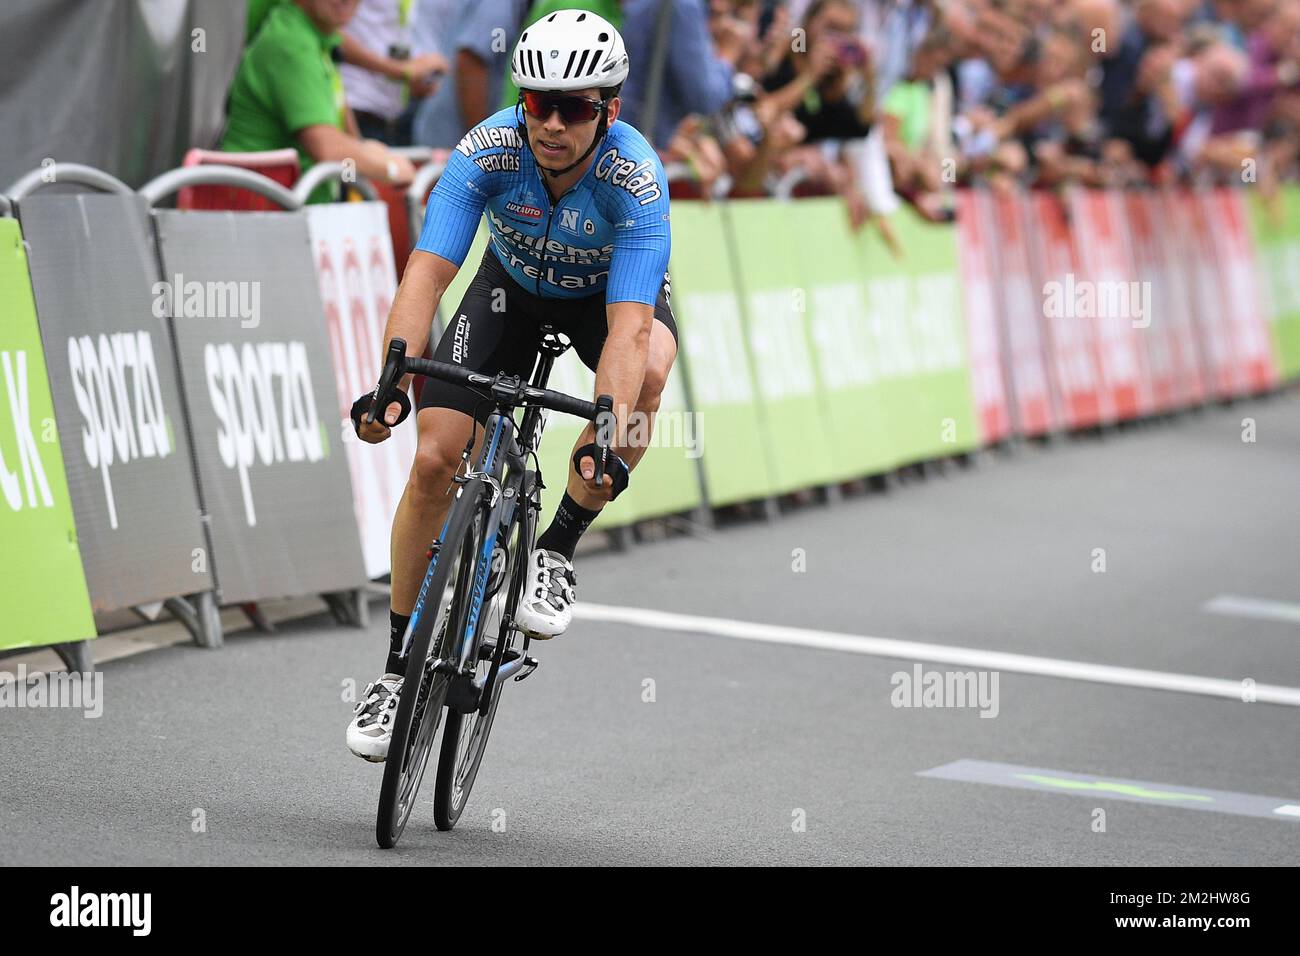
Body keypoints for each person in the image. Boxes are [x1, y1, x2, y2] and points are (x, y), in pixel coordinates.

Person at [346, 9, 676, 762]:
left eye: (574, 108)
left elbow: (627, 332)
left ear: (610, 110)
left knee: (650, 368)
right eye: (537, 104)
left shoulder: (635, 178)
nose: (552, 124)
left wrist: (606, 428)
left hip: (608, 302)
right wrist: (393, 375)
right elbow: (427, 273)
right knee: (434, 460)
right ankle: (397, 670)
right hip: (508, 293)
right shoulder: (488, 150)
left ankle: (557, 549)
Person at [221, 0, 416, 196]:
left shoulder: (318, 35)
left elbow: (341, 127)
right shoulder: (292, 43)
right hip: (259, 212)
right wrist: (390, 168)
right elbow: (327, 147)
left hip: (283, 210)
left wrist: (365, 150)